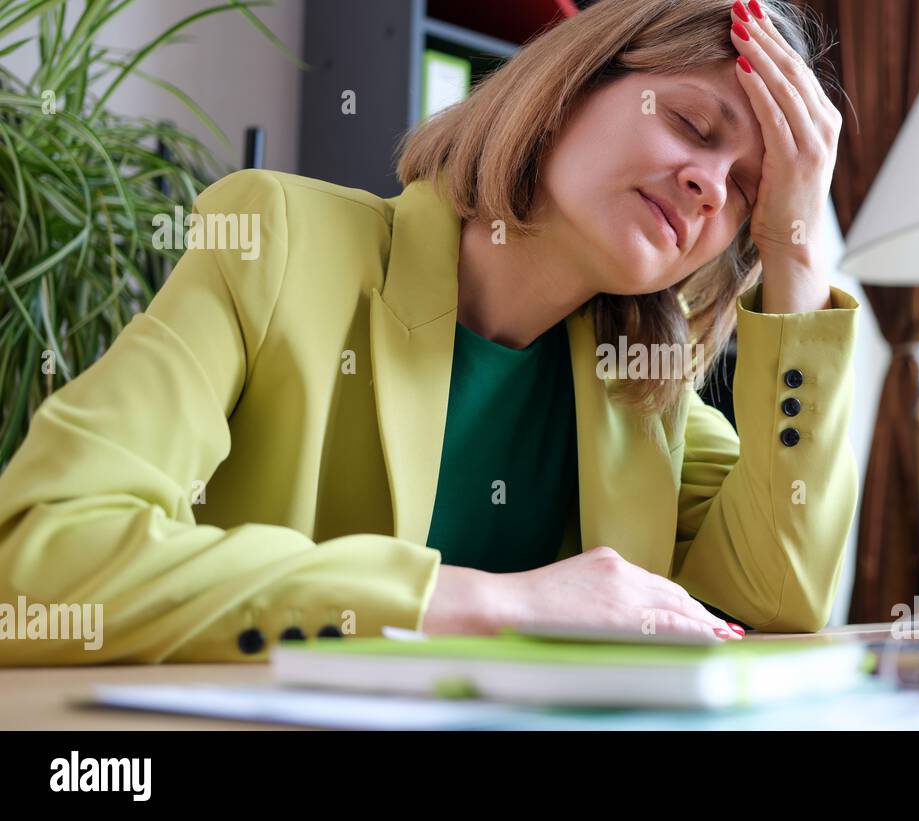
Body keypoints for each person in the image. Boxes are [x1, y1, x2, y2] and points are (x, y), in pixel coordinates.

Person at [0, 0, 860, 664]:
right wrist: (488, 600)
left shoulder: (646, 389)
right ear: (570, 87)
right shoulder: (275, 245)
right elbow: (40, 562)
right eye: (691, 125)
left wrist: (791, 245)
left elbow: (776, 602)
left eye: (749, 190)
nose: (711, 185)